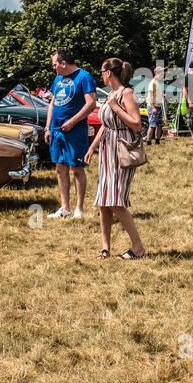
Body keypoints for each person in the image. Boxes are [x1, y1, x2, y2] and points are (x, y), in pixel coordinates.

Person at [85, 58, 147, 260]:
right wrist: (92, 147)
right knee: (104, 201)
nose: (100, 75)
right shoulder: (111, 94)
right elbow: (105, 124)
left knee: (115, 201)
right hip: (106, 151)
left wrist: (116, 107)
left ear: (109, 73)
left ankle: (138, 248)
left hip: (121, 150)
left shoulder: (126, 93)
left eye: (102, 71)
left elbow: (136, 124)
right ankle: (105, 248)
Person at [44, 49, 98, 219]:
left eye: (55, 65)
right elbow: (52, 104)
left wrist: (73, 121)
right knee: (60, 168)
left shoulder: (84, 77)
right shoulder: (58, 79)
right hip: (56, 131)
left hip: (76, 130)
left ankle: (79, 209)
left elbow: (91, 104)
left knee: (77, 168)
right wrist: (47, 127)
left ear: (63, 63)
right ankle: (65, 208)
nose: (54, 69)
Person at [146, 65, 165, 145]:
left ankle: (157, 140)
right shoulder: (152, 83)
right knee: (152, 125)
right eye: (162, 73)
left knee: (159, 124)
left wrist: (162, 95)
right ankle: (148, 141)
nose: (163, 74)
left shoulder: (158, 83)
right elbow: (150, 97)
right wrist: (153, 107)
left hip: (159, 106)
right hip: (153, 106)